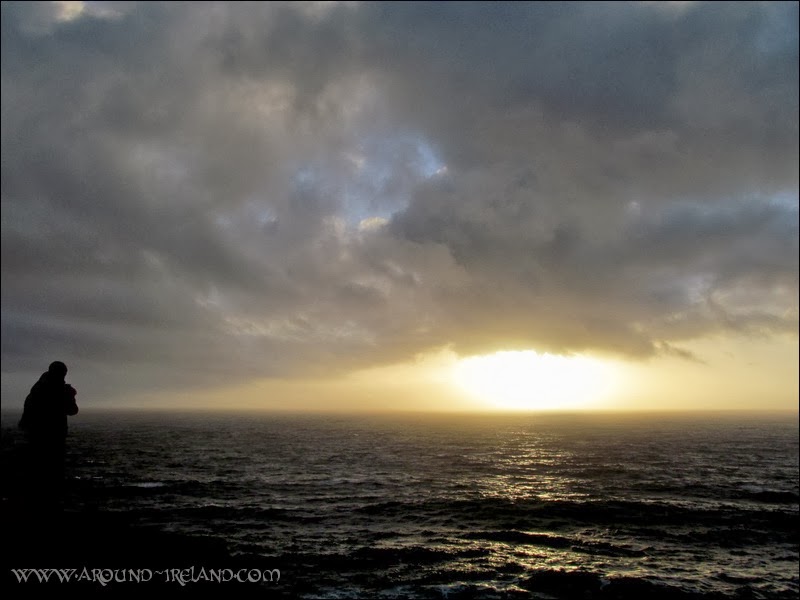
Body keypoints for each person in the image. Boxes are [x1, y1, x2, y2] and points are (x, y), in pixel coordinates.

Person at [18, 361, 79, 502]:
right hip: (53, 434)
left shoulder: (38, 388)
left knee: (39, 466)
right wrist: (70, 396)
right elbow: (72, 410)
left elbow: (27, 411)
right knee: (53, 467)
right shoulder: (59, 390)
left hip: (37, 434)